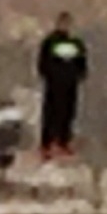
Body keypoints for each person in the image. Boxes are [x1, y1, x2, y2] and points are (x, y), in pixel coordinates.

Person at [35, 12, 89, 162]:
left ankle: (63, 141)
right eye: (62, 22)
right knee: (51, 113)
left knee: (67, 113)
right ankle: (46, 144)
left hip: (69, 84)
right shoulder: (50, 42)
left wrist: (79, 75)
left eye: (67, 23)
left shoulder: (75, 43)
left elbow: (81, 62)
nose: (65, 26)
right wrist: (49, 76)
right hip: (54, 84)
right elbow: (42, 63)